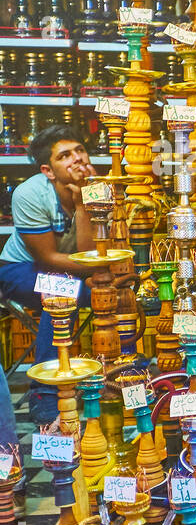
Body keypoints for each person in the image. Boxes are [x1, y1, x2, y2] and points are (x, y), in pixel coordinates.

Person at [0, 124, 97, 435]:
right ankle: (45, 397)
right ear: (48, 170)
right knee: (61, 293)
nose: (77, 159)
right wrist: (96, 271)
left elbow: (88, 252)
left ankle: (115, 383)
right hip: (19, 270)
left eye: (80, 150)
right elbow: (48, 259)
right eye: (64, 156)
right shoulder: (31, 194)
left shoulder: (98, 188)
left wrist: (83, 203)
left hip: (67, 271)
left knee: (114, 292)